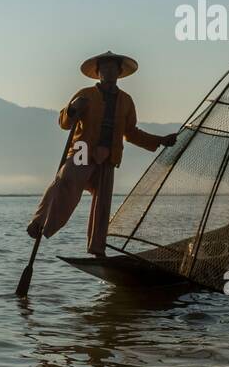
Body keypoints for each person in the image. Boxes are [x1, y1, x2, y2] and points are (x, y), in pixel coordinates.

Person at [26, 51, 179, 257]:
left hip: (108, 156)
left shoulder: (126, 100)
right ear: (98, 73)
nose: (108, 71)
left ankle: (97, 249)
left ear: (119, 72)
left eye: (112, 68)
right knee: (65, 182)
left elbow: (131, 133)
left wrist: (159, 140)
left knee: (103, 206)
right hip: (82, 151)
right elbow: (64, 122)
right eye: (104, 68)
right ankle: (39, 223)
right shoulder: (86, 94)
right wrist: (72, 109)